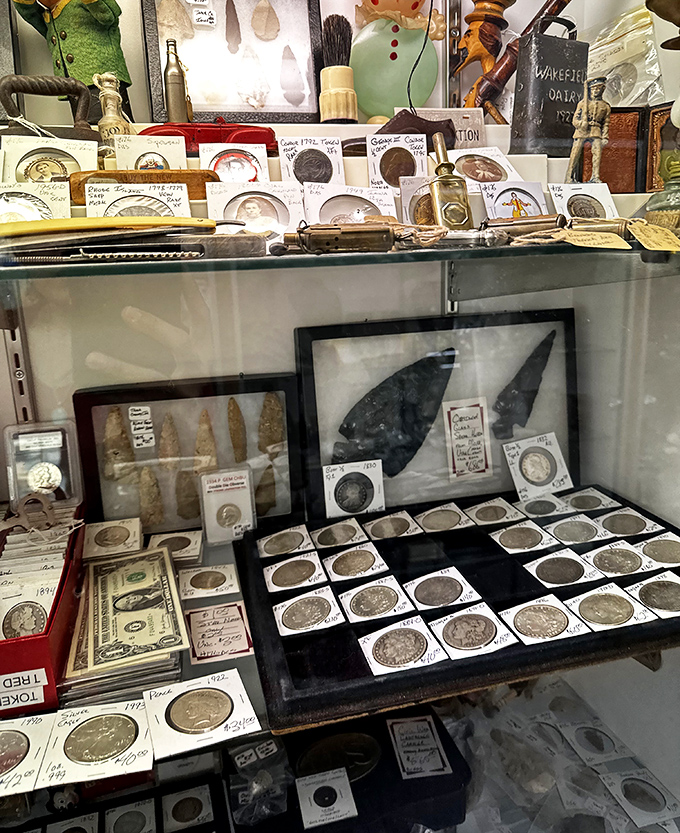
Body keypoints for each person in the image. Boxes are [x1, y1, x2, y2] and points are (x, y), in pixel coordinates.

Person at [11, 0, 133, 121]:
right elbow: (30, 13)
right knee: (86, 127)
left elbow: (109, 13)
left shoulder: (80, 4)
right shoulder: (51, 14)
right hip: (74, 88)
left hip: (101, 81)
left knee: (110, 125)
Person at [565, 77, 611, 184]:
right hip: (582, 131)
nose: (596, 91)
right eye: (594, 89)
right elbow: (575, 119)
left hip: (596, 130)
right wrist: (581, 124)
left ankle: (595, 176)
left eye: (598, 89)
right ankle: (569, 176)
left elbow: (606, 123)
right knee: (575, 154)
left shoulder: (605, 106)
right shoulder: (582, 103)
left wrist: (605, 136)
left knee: (597, 153)